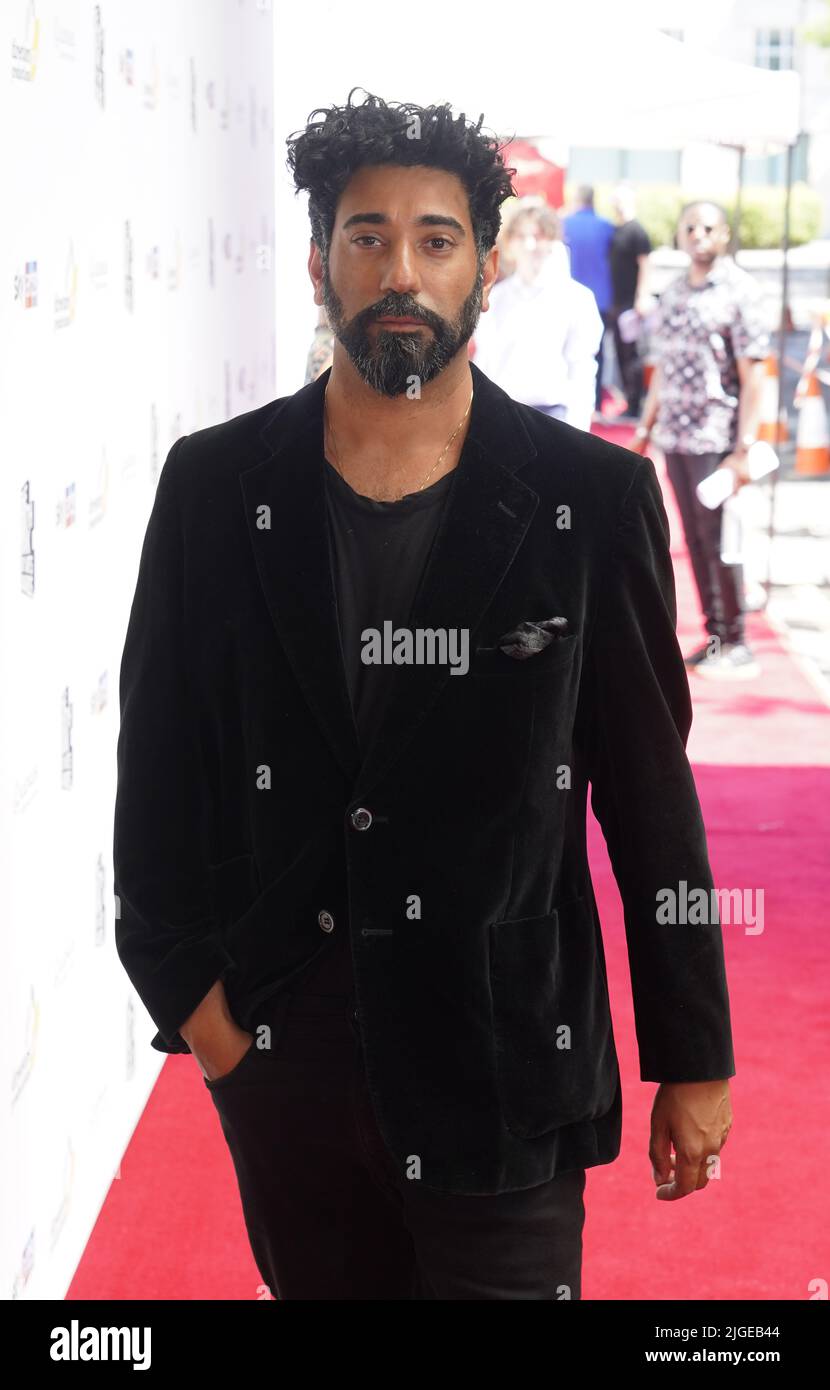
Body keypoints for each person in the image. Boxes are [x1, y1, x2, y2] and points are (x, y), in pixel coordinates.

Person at [113, 91, 735, 1302]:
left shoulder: (586, 501)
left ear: (485, 265)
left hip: (504, 1060)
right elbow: (161, 774)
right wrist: (201, 1010)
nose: (399, 269)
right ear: (315, 263)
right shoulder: (213, 485)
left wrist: (694, 1052)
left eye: (434, 239)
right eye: (366, 235)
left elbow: (651, 801)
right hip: (284, 1059)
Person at [631, 200, 768, 680]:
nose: (698, 234)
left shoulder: (739, 292)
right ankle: (714, 635)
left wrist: (744, 446)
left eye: (708, 227)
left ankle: (737, 639)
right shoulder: (672, 295)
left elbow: (755, 376)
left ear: (724, 234)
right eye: (690, 226)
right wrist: (644, 432)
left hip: (718, 435)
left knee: (720, 540)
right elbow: (662, 371)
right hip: (677, 435)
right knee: (691, 537)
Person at [470, 200, 603, 431]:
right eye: (521, 236)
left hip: (554, 417)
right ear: (509, 243)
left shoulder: (577, 299)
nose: (530, 244)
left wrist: (579, 427)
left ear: (554, 240)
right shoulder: (494, 298)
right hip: (502, 414)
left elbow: (582, 367)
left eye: (540, 235)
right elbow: (485, 360)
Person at [562, 185, 616, 413]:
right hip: (601, 295)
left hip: (567, 297)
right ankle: (596, 404)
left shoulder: (564, 223)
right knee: (596, 352)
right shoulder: (607, 227)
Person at [608, 182, 653, 419]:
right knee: (621, 353)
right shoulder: (617, 230)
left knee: (633, 354)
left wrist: (642, 297)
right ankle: (628, 400)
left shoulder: (637, 231)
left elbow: (645, 265)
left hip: (631, 303)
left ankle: (636, 404)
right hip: (617, 302)